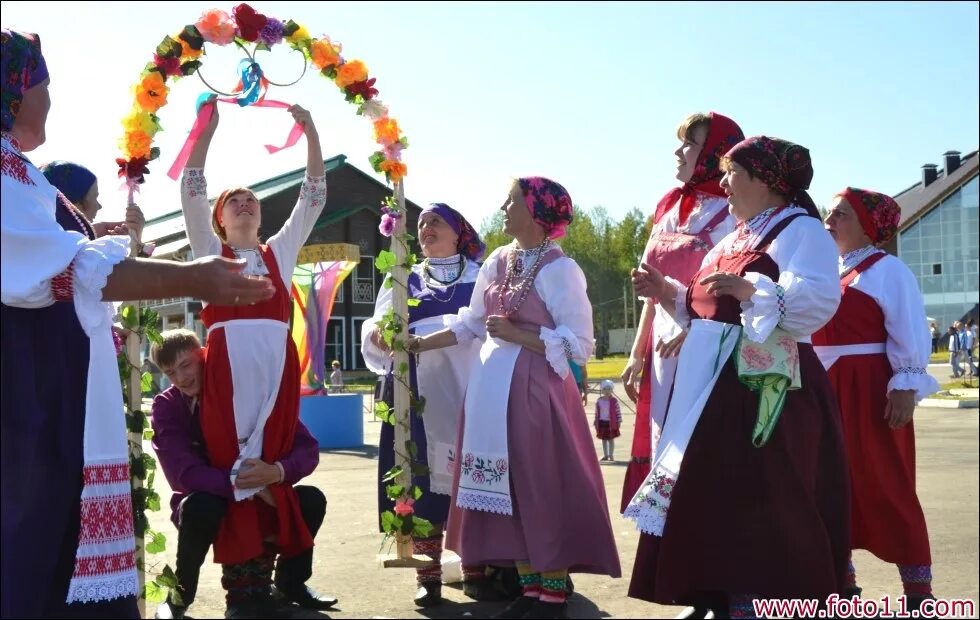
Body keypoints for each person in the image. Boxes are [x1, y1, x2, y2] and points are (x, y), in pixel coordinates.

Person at [1, 29, 274, 620]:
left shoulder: (18, 169)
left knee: (50, 538)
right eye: (44, 86)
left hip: (49, 393)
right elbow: (64, 270)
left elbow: (65, 260)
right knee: (31, 540)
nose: (50, 100)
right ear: (16, 92)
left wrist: (103, 246)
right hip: (31, 401)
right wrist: (195, 278)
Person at [624, 136, 849, 618]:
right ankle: (719, 592)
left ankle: (761, 598)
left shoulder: (801, 230)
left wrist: (755, 290)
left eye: (733, 173)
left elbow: (819, 300)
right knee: (716, 490)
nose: (723, 183)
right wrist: (666, 290)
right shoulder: (734, 238)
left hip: (772, 387)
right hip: (720, 385)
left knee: (766, 493)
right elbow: (704, 303)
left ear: (765, 179)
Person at [411, 177, 621, 620]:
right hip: (490, 394)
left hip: (535, 392)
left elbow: (581, 343)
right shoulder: (497, 261)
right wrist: (419, 345)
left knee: (539, 486)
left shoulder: (561, 269)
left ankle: (553, 593)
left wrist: (520, 334)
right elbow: (471, 323)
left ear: (537, 211)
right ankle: (529, 587)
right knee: (505, 490)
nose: (503, 208)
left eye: (512, 201)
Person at [178, 95, 328, 614]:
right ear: (219, 220)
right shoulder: (207, 252)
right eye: (233, 201)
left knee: (271, 460)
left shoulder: (278, 254)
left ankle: (271, 581)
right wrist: (205, 130)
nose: (244, 203)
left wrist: (310, 135)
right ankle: (241, 588)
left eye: (251, 200)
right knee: (234, 463)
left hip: (275, 372)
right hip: (226, 373)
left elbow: (313, 196)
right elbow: (191, 190)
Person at [149, 330, 337, 619]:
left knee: (311, 499)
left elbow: (307, 449)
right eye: (170, 372)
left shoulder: (246, 391)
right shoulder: (168, 405)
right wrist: (242, 485)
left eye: (186, 365)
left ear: (204, 356)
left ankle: (291, 583)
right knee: (201, 507)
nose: (180, 379)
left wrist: (276, 472)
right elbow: (181, 473)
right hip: (214, 497)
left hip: (267, 489)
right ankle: (179, 596)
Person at [814, 188, 940, 612]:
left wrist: (905, 385)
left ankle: (918, 592)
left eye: (841, 214)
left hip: (869, 389)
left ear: (869, 226)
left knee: (887, 482)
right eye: (829, 213)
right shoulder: (825, 272)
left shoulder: (889, 270)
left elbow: (909, 329)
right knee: (831, 483)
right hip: (825, 390)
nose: (829, 220)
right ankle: (841, 580)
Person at [362, 202, 487, 607]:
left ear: (458, 231)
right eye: (420, 223)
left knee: (475, 477)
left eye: (435, 221)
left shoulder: (480, 276)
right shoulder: (403, 277)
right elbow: (377, 322)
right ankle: (427, 576)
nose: (425, 227)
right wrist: (380, 334)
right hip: (415, 391)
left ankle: (477, 569)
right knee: (418, 479)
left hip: (471, 388)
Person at [619, 112, 744, 513]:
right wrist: (637, 353)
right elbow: (650, 293)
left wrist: (699, 329)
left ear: (716, 154)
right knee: (664, 442)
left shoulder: (732, 212)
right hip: (663, 348)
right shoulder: (668, 207)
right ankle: (667, 539)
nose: (678, 151)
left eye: (690, 144)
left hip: (708, 343)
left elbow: (732, 287)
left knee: (699, 445)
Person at [594, 379, 622, 462]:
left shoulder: (614, 401)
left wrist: (619, 421)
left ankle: (611, 455)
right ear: (602, 390)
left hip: (611, 423)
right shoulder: (599, 400)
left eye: (609, 389)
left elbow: (618, 411)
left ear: (612, 390)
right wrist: (596, 421)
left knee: (610, 439)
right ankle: (605, 455)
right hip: (602, 422)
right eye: (605, 389)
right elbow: (597, 412)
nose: (607, 391)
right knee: (604, 439)